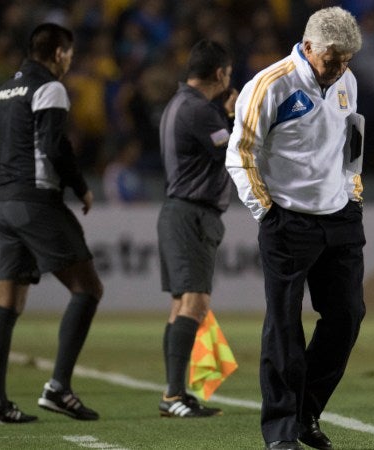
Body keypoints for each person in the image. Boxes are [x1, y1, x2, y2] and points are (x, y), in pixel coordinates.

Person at [225, 7, 365, 450]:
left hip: (339, 217)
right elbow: (240, 153)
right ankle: (282, 432)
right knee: (284, 327)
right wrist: (267, 212)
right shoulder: (269, 84)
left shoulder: (347, 80)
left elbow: (352, 142)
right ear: (308, 48)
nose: (340, 68)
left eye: (347, 60)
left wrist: (354, 192)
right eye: (333, 60)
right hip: (287, 220)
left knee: (346, 318)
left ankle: (307, 414)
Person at [0, 23, 103, 425]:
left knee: (7, 304)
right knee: (87, 289)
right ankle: (58, 388)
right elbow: (54, 147)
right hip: (36, 202)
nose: (69, 61)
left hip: (5, 203)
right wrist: (80, 187)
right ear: (58, 53)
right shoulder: (49, 87)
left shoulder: (2, 91)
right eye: (68, 54)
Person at [156, 39, 237, 418]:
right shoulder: (199, 110)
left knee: (180, 305)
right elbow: (232, 152)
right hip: (192, 214)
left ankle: (175, 392)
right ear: (220, 73)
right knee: (195, 303)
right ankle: (173, 395)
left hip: (178, 211)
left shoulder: (179, 104)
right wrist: (233, 117)